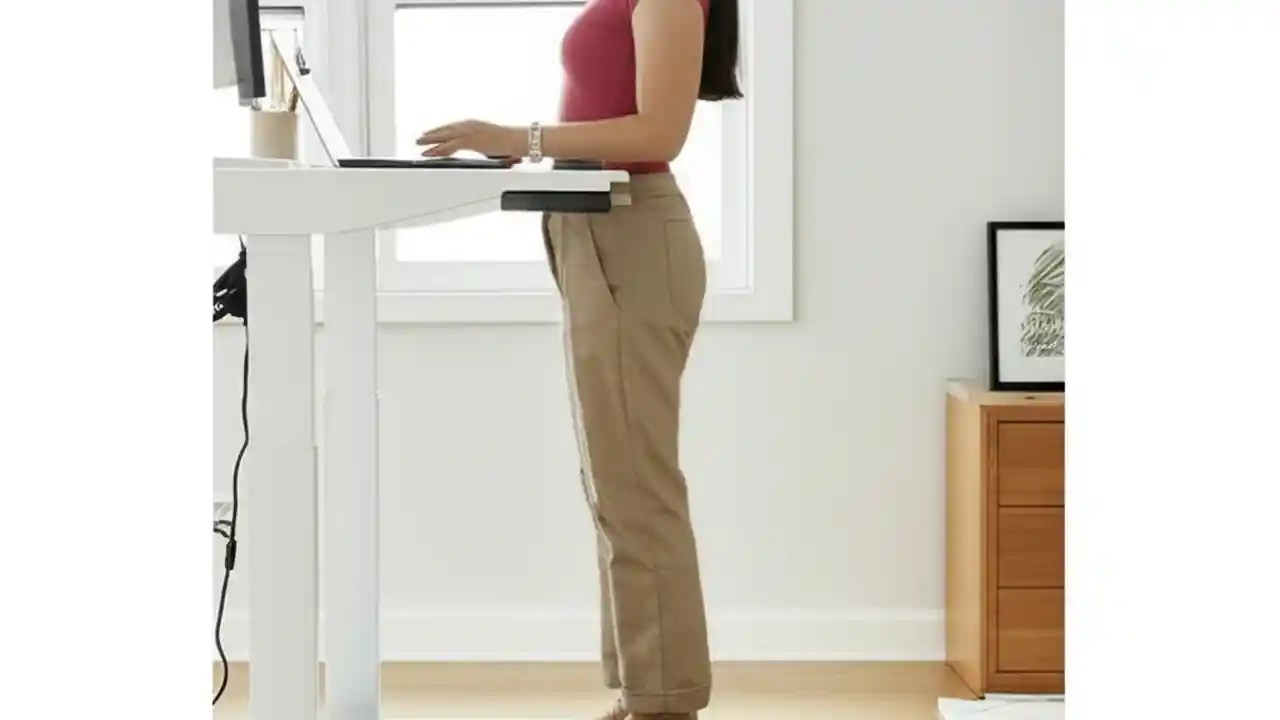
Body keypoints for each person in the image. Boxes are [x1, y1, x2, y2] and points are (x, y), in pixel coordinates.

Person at [417, 1, 741, 717]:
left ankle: (664, 702)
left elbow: (660, 132)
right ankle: (645, 690)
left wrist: (520, 136)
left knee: (636, 485)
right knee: (614, 482)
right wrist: (527, 147)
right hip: (595, 227)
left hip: (629, 234)